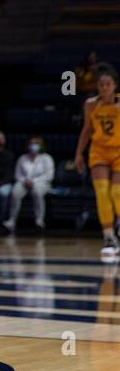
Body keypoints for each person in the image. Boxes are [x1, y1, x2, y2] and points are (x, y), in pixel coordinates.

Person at [74, 63, 120, 260]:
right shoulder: (91, 104)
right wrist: (78, 154)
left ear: (115, 85)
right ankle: (109, 238)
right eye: (101, 84)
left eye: (108, 84)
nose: (104, 88)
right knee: (102, 193)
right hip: (99, 152)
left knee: (116, 192)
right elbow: (86, 130)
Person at [6, 136, 54, 234]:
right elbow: (17, 174)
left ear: (41, 146)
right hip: (24, 182)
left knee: (36, 192)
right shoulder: (22, 158)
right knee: (15, 192)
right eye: (31, 143)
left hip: (42, 183)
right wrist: (25, 181)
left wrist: (34, 181)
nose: (33, 146)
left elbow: (49, 175)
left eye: (36, 143)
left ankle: (39, 221)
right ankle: (11, 220)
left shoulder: (46, 158)